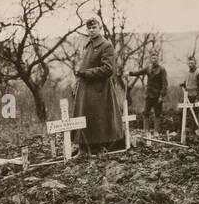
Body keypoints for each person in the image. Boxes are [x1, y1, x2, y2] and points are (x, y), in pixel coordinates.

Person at [72, 16, 124, 154]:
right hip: (85, 88)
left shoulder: (106, 45)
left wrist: (86, 73)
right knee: (83, 118)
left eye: (94, 27)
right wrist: (77, 81)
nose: (91, 30)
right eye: (89, 28)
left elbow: (108, 69)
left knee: (97, 120)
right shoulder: (88, 44)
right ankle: (83, 149)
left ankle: (99, 148)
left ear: (99, 28)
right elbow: (84, 64)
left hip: (98, 90)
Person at [127, 51, 168, 134]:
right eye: (153, 58)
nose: (154, 59)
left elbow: (165, 84)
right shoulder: (148, 68)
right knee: (146, 112)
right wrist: (129, 73)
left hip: (157, 95)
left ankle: (156, 131)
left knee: (157, 113)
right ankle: (146, 131)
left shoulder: (162, 70)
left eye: (155, 58)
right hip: (149, 94)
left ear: (158, 59)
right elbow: (139, 72)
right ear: (150, 59)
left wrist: (161, 96)